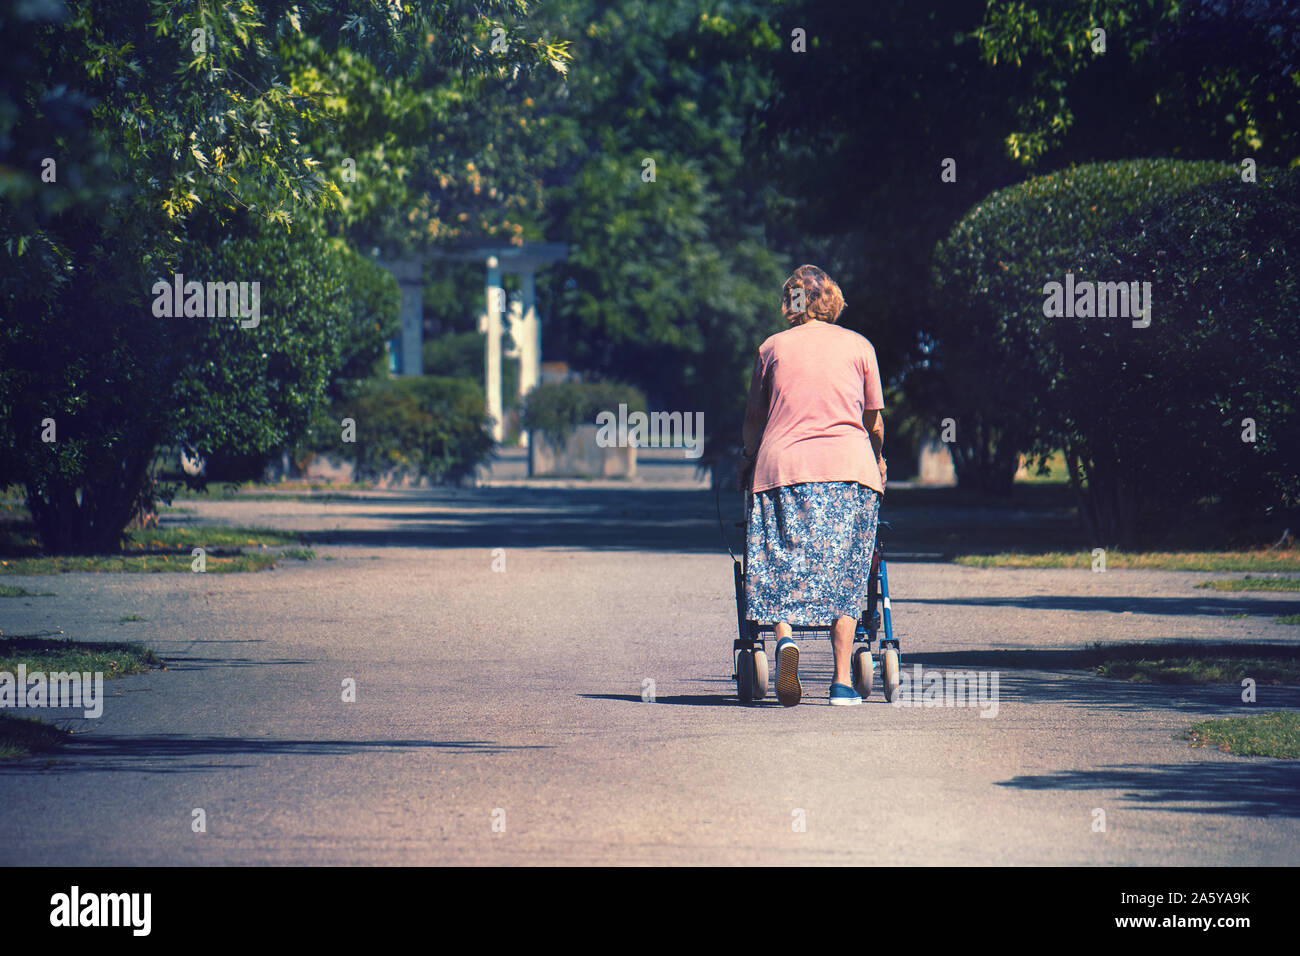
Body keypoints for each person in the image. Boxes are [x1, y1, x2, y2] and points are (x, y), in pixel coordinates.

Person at [739, 264, 886, 707]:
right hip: (848, 469)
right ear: (833, 301)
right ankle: (842, 682)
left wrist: (748, 459)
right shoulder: (860, 346)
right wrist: (878, 459)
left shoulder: (772, 348)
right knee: (845, 571)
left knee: (781, 557)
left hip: (783, 468)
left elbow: (754, 420)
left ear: (790, 304)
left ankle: (784, 638)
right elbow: (874, 422)